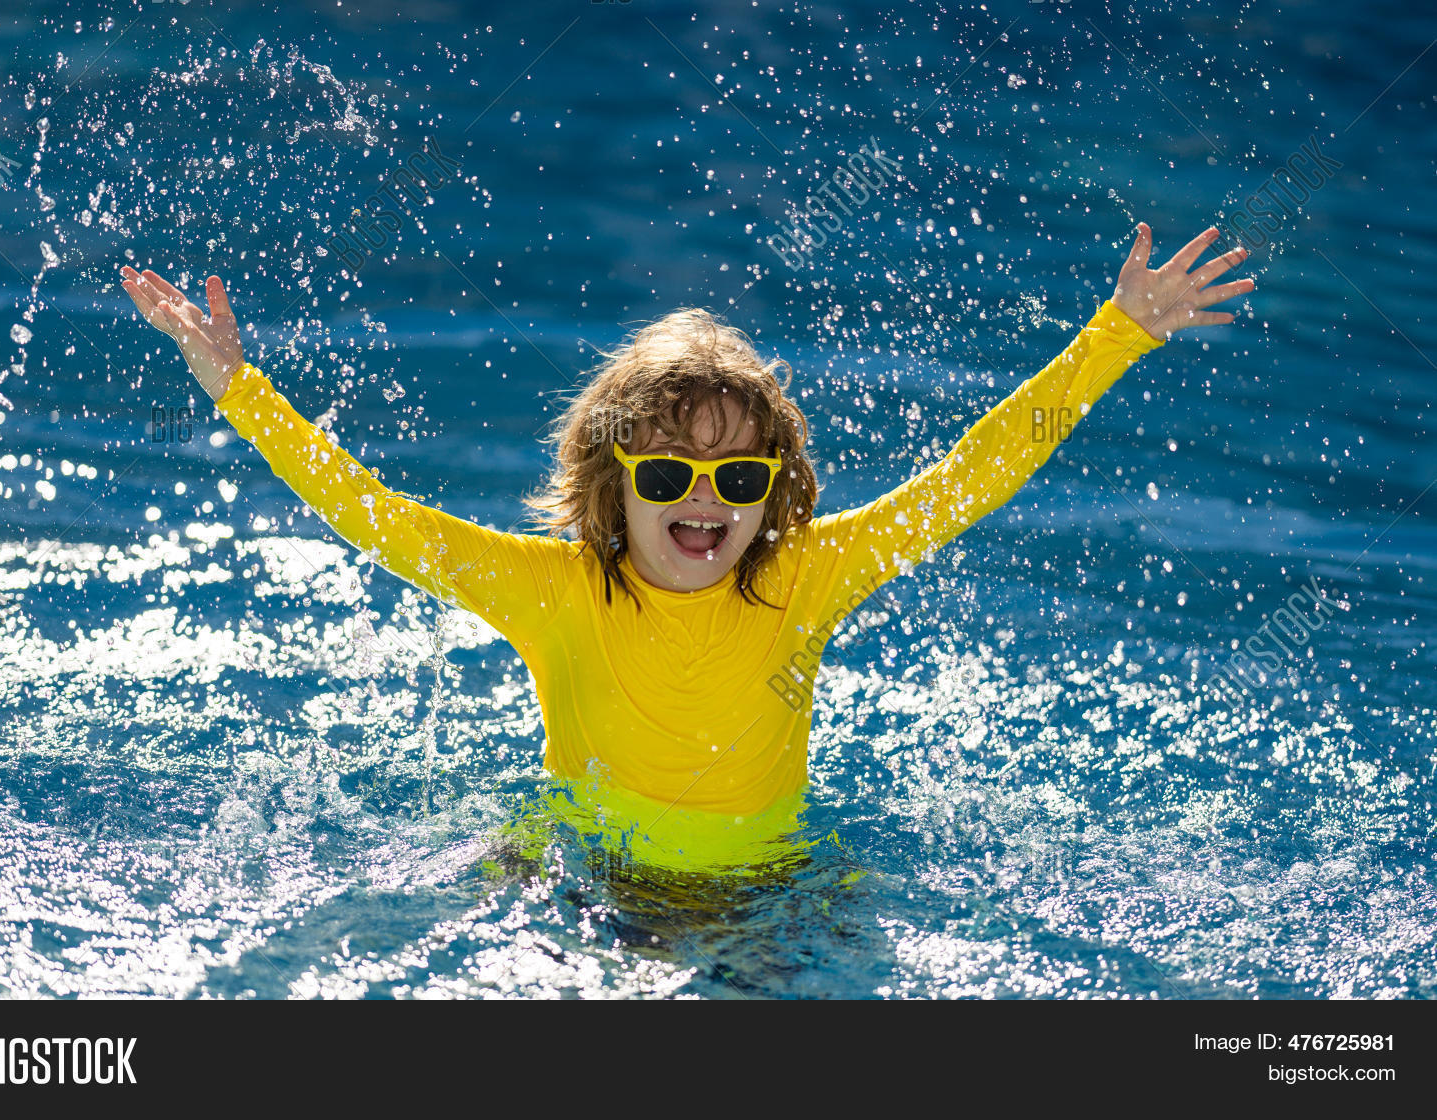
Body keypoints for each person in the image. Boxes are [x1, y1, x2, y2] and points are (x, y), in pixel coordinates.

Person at [119, 222, 1252, 870]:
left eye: (737, 478)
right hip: (587, 878)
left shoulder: (809, 578)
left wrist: (1116, 336)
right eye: (667, 474)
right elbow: (370, 513)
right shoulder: (553, 589)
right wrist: (236, 385)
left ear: (777, 494)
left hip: (772, 885)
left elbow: (969, 479)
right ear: (612, 484)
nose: (702, 504)